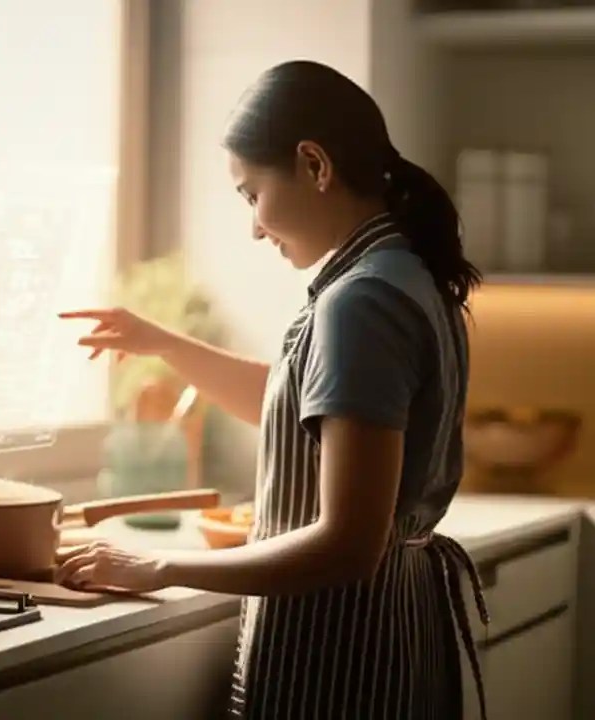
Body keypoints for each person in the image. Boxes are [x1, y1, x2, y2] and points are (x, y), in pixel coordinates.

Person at [57, 59, 487, 719]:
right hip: (396, 640)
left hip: (342, 665)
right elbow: (305, 410)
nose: (255, 226)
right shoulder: (405, 275)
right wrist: (166, 344)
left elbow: (346, 542)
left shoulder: (361, 301)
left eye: (251, 193)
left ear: (314, 165)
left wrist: (160, 568)